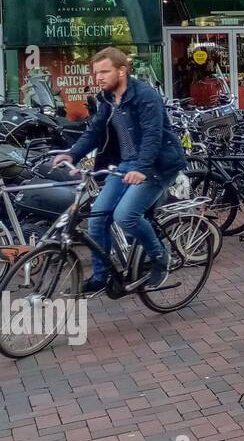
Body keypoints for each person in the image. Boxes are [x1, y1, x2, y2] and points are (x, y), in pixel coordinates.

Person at [52, 48, 187, 295]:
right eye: (96, 73)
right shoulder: (106, 98)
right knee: (96, 219)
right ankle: (101, 277)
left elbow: (152, 136)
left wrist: (142, 168)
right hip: (125, 165)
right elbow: (94, 131)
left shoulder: (145, 96)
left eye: (105, 71)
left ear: (122, 70)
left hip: (156, 165)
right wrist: (72, 154)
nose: (99, 77)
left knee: (125, 216)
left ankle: (159, 257)